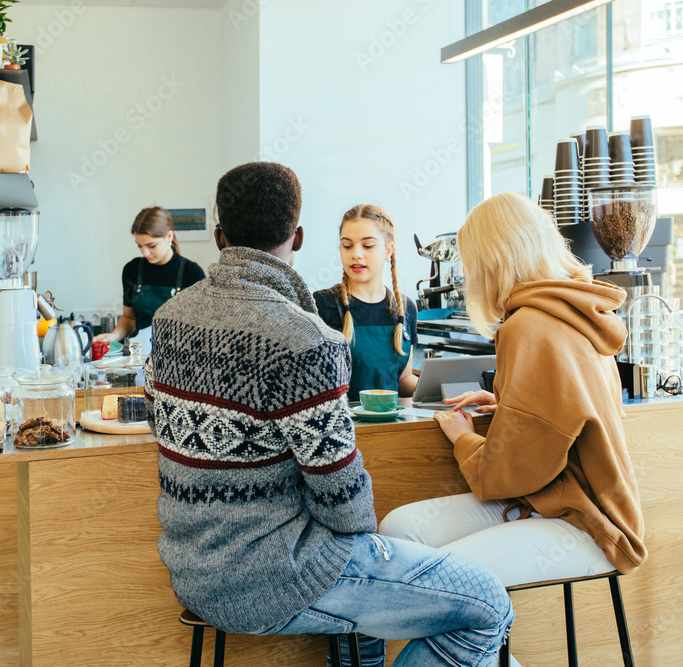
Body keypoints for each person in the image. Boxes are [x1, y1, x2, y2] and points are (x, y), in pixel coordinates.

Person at [146, 161, 513, 667]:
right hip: (279, 576)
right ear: (297, 238)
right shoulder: (305, 338)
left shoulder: (168, 320)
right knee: (489, 606)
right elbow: (342, 498)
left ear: (218, 236)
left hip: (193, 572)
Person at [380, 192, 647, 591]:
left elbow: (514, 471)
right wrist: (507, 405)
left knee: (437, 583)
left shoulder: (526, 325)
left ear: (491, 262)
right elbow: (570, 415)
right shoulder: (578, 310)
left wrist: (464, 439)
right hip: (566, 500)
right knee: (399, 529)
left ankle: (496, 657)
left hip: (587, 521)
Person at [314, 205, 419, 400]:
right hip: (343, 427)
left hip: (391, 425)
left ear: (389, 250)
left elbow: (404, 380)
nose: (356, 254)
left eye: (368, 245)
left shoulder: (405, 308)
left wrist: (439, 390)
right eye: (347, 245)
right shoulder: (322, 304)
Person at [94, 206, 205, 354]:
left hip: (180, 358)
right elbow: (129, 318)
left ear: (169, 237)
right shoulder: (132, 270)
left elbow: (202, 327)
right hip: (141, 356)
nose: (145, 252)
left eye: (151, 246)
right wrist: (113, 336)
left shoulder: (192, 273)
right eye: (140, 246)